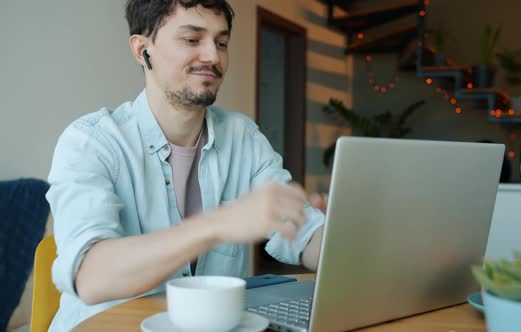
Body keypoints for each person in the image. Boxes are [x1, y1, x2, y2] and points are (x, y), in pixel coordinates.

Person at [45, 1, 325, 330]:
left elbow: (305, 234)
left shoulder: (243, 137)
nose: (213, 56)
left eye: (221, 43)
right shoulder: (89, 141)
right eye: (192, 40)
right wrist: (217, 224)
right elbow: (91, 277)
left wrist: (340, 238)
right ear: (142, 49)